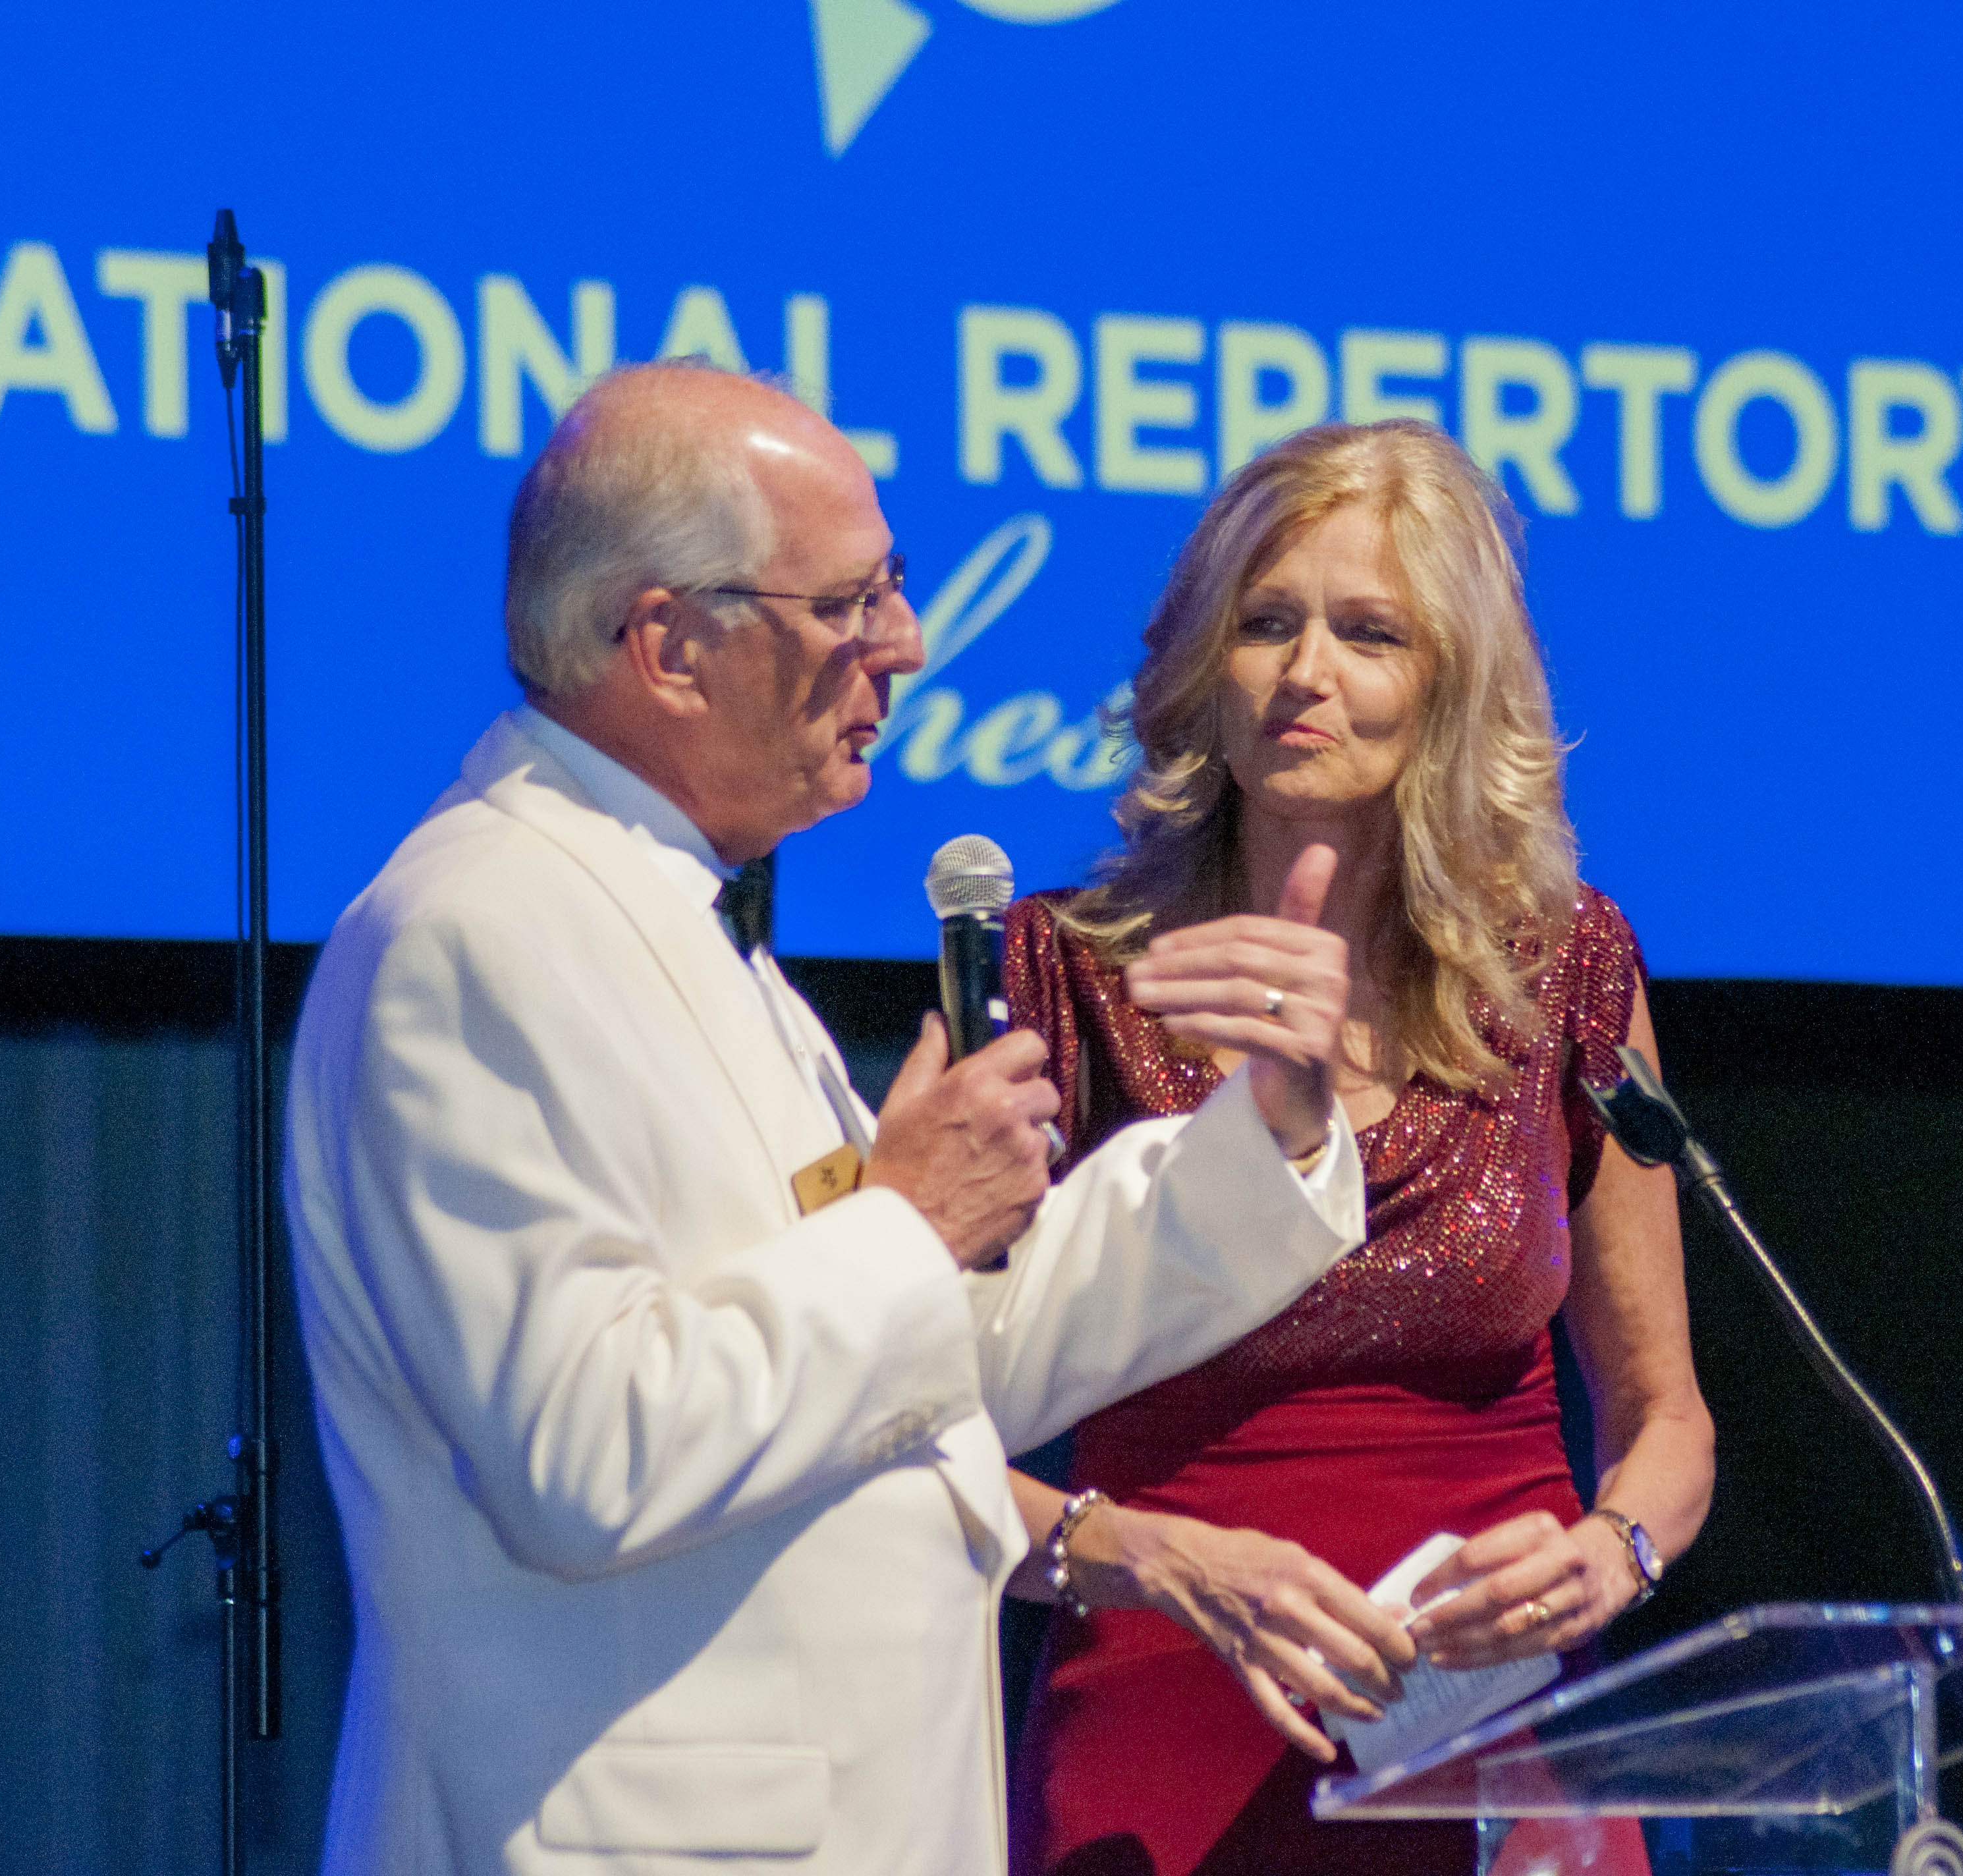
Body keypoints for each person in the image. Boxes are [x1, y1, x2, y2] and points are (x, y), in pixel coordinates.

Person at [283, 360, 1376, 1876]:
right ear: (667, 644)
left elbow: (925, 1369)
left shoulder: (673, 921)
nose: (906, 646)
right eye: (846, 603)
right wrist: (906, 1221)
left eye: (893, 590)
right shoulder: (474, 933)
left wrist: (1267, 1130)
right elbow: (583, 1450)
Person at [1001, 420, 1717, 1876]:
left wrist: (1607, 1555)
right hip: (1166, 1721)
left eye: (1367, 631)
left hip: (1495, 1732)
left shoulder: (1568, 969)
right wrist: (1146, 1556)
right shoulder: (1068, 973)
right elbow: (901, 1440)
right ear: (1206, 663)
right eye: (1266, 623)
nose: (1305, 672)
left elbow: (1668, 1422)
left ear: (1449, 683)